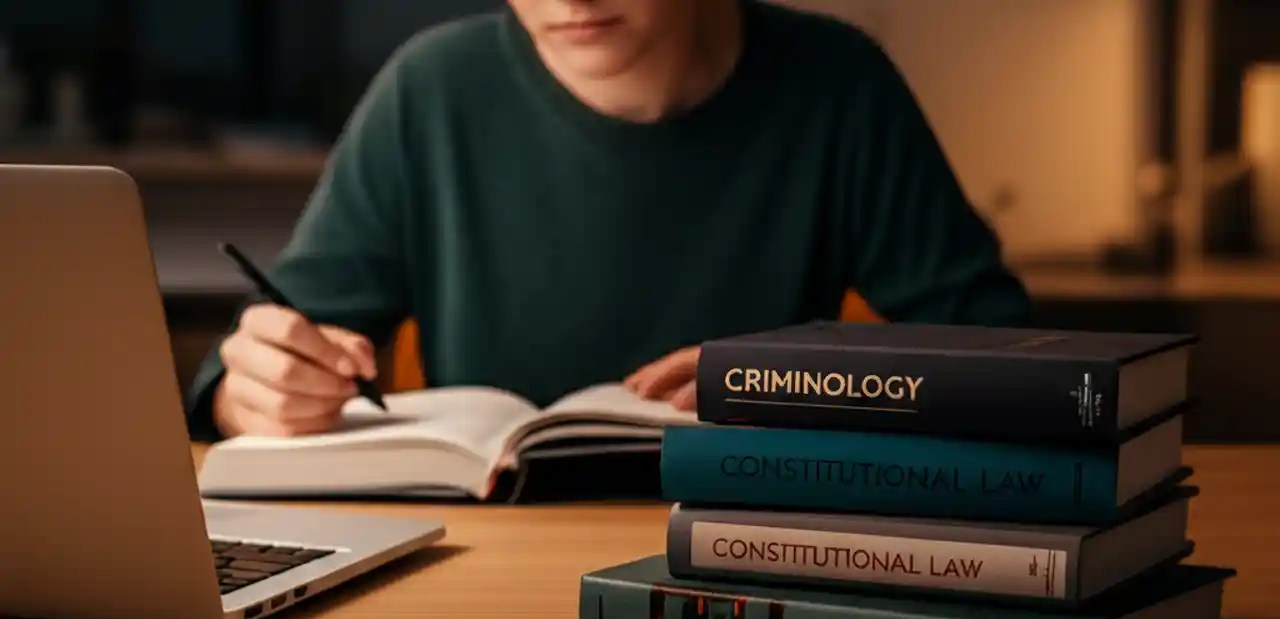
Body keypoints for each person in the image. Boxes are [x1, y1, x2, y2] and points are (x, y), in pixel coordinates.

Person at [186, 0, 1032, 441]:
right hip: (485, 586)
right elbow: (258, 364)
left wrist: (805, 383)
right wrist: (249, 394)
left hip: (766, 566)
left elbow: (1018, 369)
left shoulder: (836, 85)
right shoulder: (432, 92)